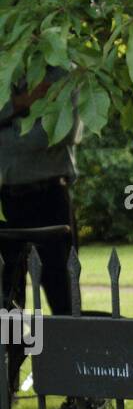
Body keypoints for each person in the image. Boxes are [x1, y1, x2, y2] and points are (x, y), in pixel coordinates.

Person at [0, 66, 81, 314]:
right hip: (7, 201)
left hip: (49, 197)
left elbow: (62, 132)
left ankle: (68, 351)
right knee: (7, 301)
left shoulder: (63, 72)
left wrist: (9, 119)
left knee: (63, 295)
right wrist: (25, 101)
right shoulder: (6, 68)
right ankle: (10, 353)